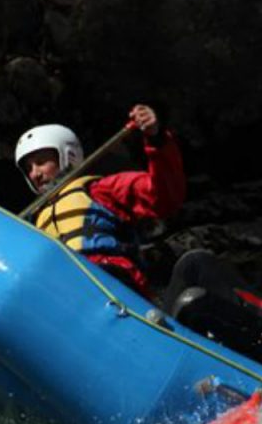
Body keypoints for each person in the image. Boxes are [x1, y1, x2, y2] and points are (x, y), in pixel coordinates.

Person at [14, 104, 185, 299]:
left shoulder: (99, 190)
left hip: (110, 279)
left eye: (42, 161)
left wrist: (156, 139)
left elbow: (163, 195)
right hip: (63, 292)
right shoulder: (34, 221)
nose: (35, 173)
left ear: (66, 155)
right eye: (29, 168)